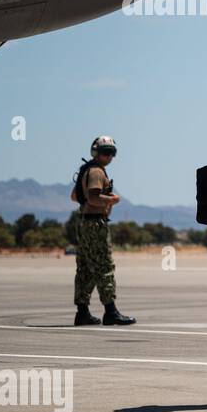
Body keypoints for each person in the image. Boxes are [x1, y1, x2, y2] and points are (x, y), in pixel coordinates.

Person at [71, 135, 135, 326]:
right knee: (104, 267)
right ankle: (111, 311)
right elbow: (93, 198)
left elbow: (75, 196)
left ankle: (82, 312)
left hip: (84, 223)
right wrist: (112, 200)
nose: (109, 157)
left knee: (85, 269)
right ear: (96, 152)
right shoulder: (97, 172)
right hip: (95, 224)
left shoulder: (86, 170)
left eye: (112, 153)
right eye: (106, 152)